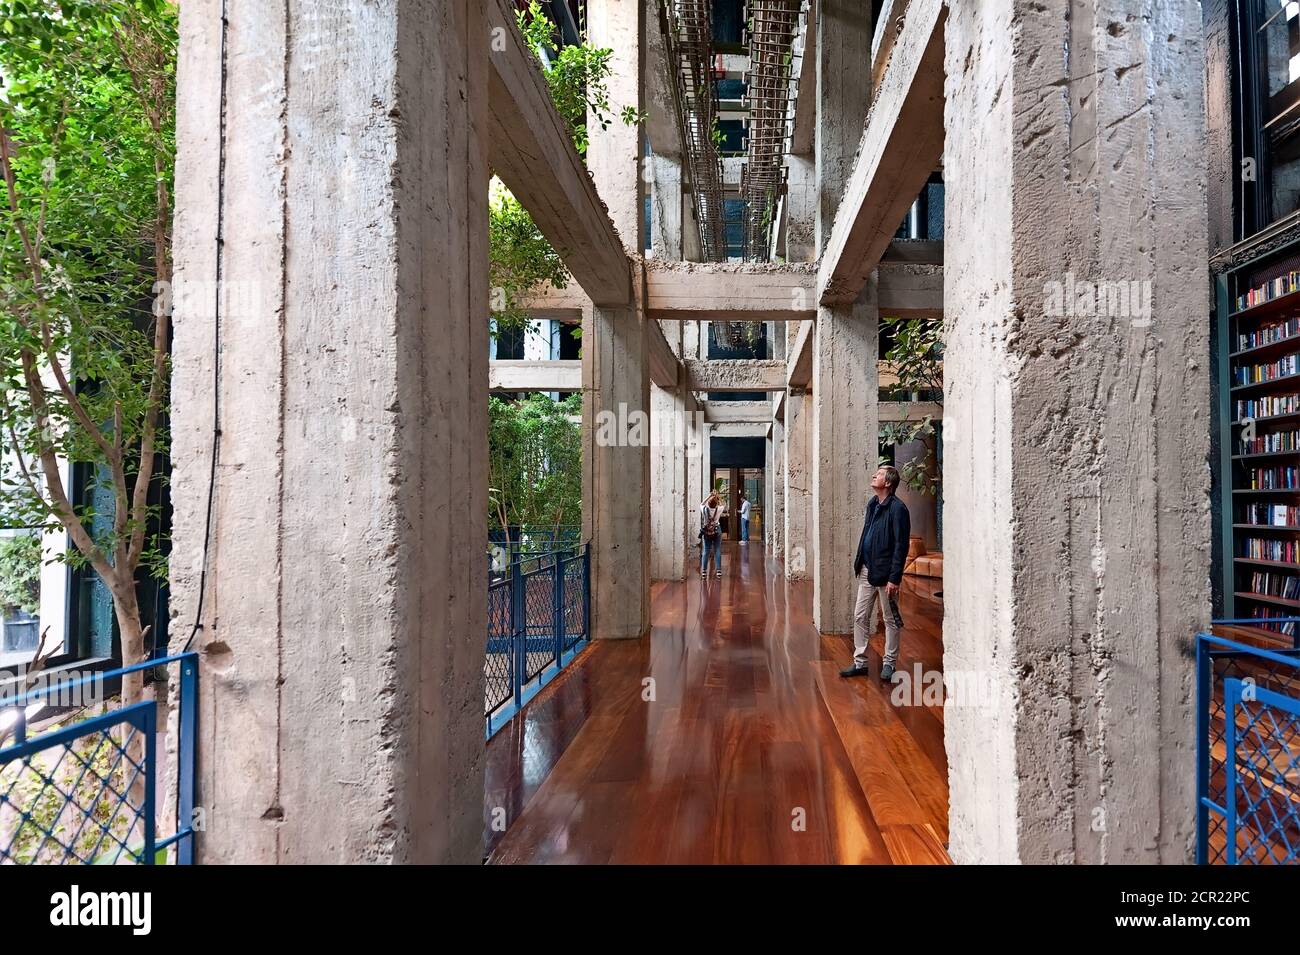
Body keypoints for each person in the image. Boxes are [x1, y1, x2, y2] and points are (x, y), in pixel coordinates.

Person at [841, 464, 910, 681]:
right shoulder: (872, 504)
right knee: (860, 616)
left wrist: (895, 577)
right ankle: (860, 662)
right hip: (866, 569)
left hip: (886, 574)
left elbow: (901, 545)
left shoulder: (898, 509)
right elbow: (866, 534)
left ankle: (889, 663)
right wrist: (859, 560)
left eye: (879, 474)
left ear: (888, 483)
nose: (874, 475)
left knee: (890, 620)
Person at [698, 491, 725, 579]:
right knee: (717, 550)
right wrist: (718, 496)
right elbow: (724, 504)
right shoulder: (719, 509)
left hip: (707, 531)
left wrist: (709, 496)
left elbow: (701, 503)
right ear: (716, 503)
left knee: (706, 551)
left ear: (708, 503)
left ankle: (704, 572)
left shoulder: (705, 509)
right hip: (717, 530)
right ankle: (719, 572)